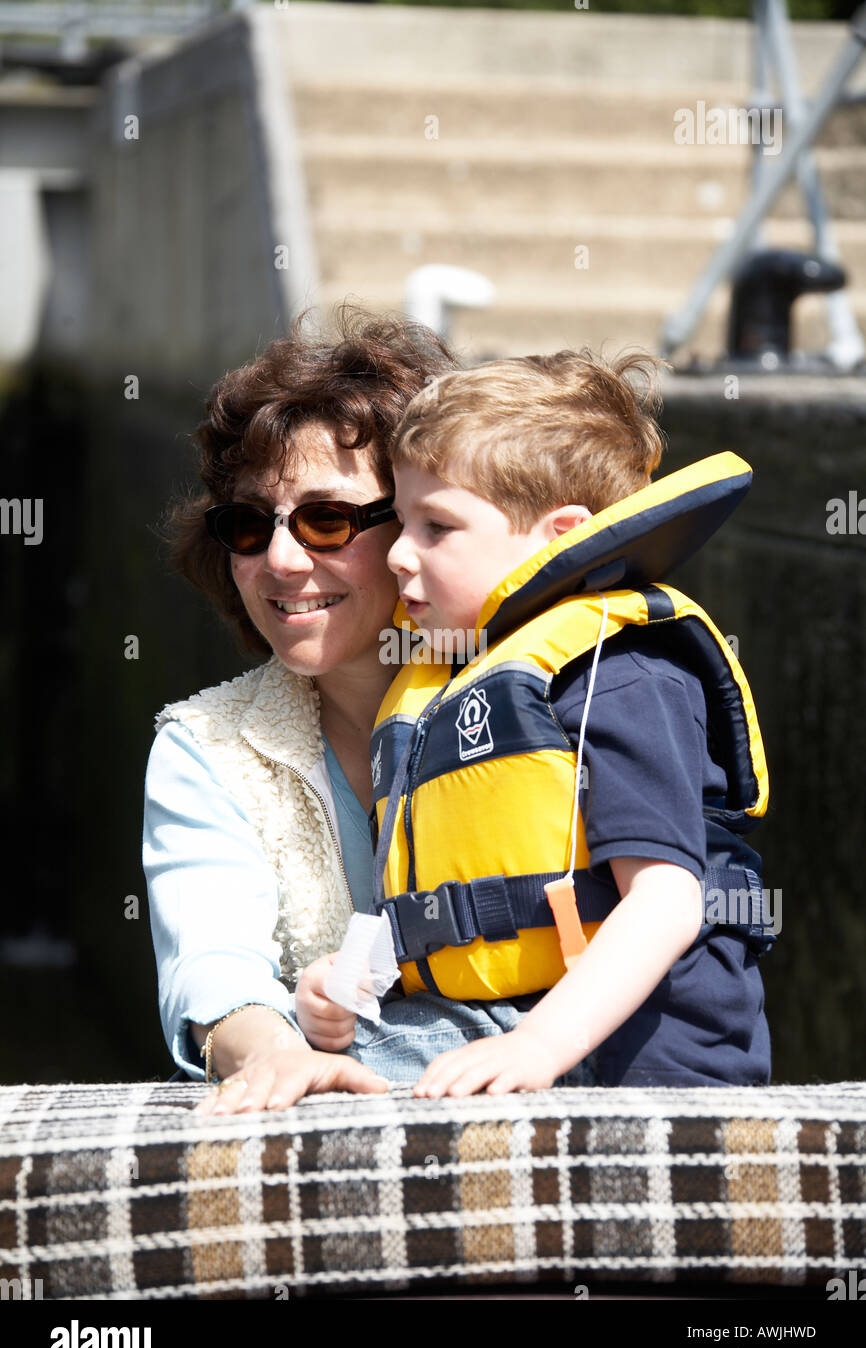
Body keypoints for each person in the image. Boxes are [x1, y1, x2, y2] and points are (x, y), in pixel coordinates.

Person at [299, 349, 775, 1096]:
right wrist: (345, 985)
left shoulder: (620, 673)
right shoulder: (440, 682)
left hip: (632, 1057)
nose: (396, 553)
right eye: (401, 521)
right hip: (493, 1022)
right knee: (300, 1063)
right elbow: (434, 901)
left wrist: (541, 1046)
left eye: (437, 526)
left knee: (308, 1089)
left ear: (557, 534)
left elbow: (666, 900)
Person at [143, 308, 460, 1113]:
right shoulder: (204, 746)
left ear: (424, 525)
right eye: (250, 523)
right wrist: (284, 1056)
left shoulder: (538, 698)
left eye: (328, 518)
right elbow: (211, 967)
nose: (282, 560)